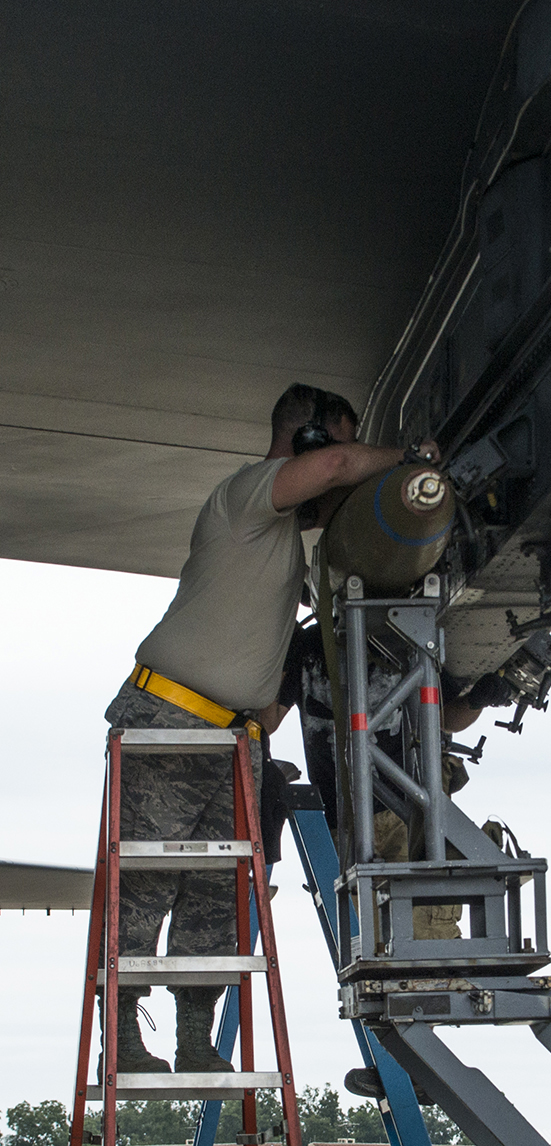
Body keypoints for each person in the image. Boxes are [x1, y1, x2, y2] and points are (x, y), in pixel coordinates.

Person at [105, 384, 415, 1072]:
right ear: (306, 442)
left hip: (232, 739)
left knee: (216, 896)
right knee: (147, 886)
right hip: (172, 722)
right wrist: (408, 458)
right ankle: (122, 1039)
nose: (344, 459)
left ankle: (193, 1041)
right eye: (336, 441)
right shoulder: (246, 495)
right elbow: (334, 471)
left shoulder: (280, 547)